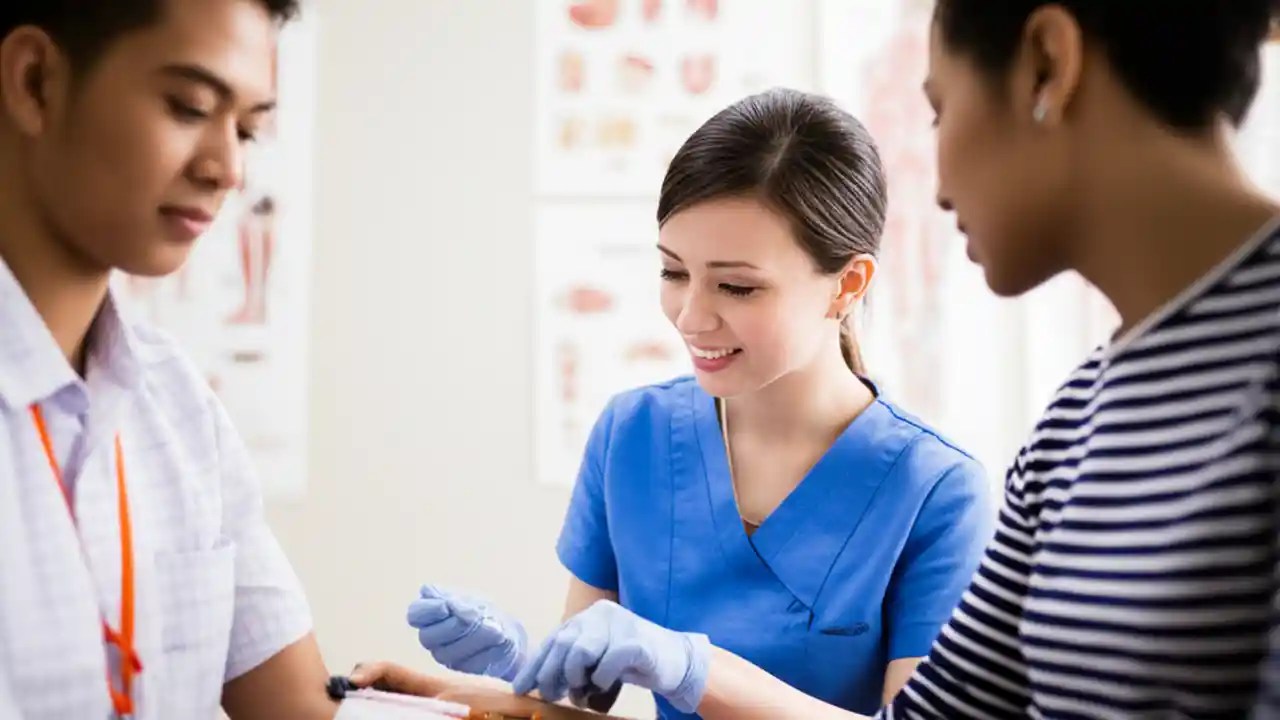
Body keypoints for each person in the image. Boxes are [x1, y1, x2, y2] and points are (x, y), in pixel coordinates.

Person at [503, 2, 1280, 718]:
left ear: (1048, 64)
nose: (936, 186)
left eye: (940, 110)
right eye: (674, 271)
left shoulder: (950, 476)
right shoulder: (1077, 423)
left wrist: (694, 667)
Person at [353, 88, 995, 718]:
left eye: (737, 286)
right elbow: (581, 702)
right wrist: (499, 679)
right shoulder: (633, 435)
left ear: (846, 285)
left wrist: (695, 669)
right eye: (673, 272)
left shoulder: (935, 491)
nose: (690, 316)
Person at [0, 1, 338, 718]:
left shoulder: (178, 407)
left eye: (248, 129)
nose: (228, 169)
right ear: (34, 83)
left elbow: (304, 709)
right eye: (189, 107)